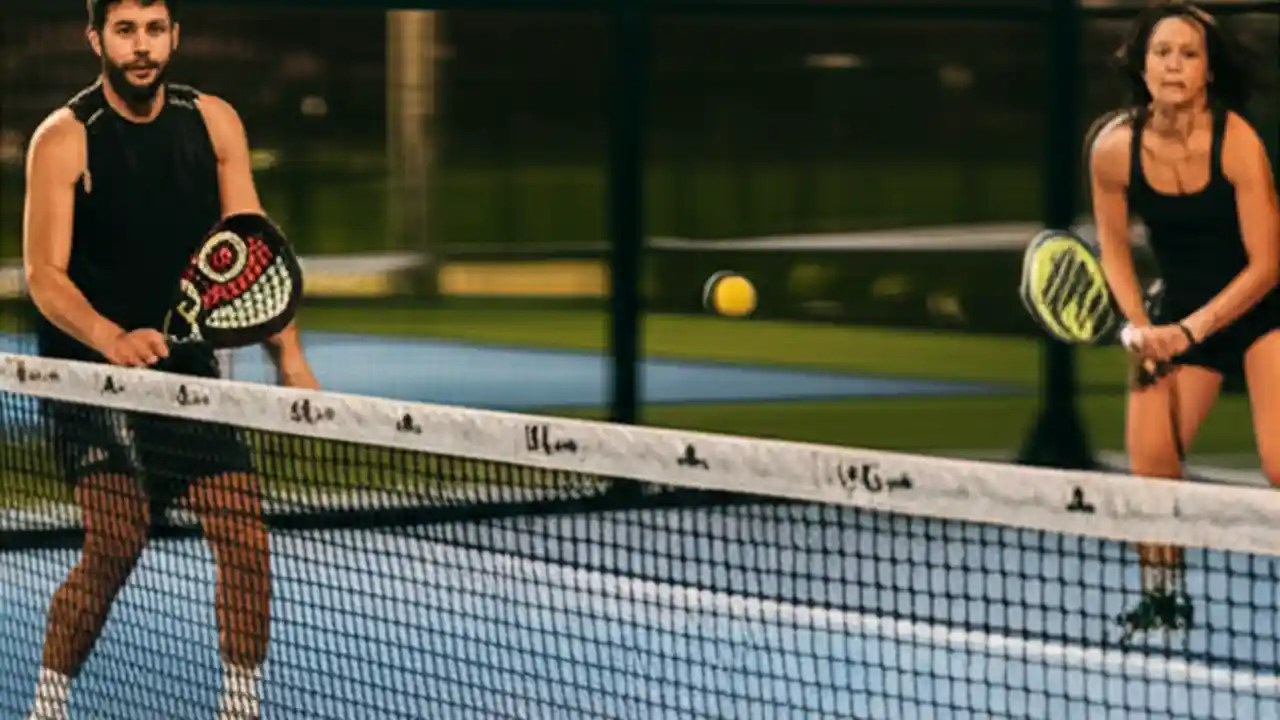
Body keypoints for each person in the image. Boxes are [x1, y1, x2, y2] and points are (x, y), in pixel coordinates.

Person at [21, 1, 320, 718]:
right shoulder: (64, 138)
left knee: (246, 537)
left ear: (175, 36)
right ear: (96, 38)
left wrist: (291, 358)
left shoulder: (214, 122)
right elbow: (43, 275)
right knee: (117, 543)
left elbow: (251, 254)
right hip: (90, 374)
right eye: (125, 31)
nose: (142, 47)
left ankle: (240, 706)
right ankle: (48, 705)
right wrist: (110, 338)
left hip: (185, 370)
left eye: (155, 29)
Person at [1086, 2, 1279, 639]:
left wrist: (1190, 332)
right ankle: (1164, 596)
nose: (1173, 64)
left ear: (1207, 71)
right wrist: (1138, 325)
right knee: (1151, 464)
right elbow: (1114, 247)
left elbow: (1267, 264)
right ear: (1141, 66)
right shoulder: (1113, 150)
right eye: (1161, 52)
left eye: (1188, 53)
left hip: (1261, 310)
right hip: (1176, 313)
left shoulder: (1238, 143)